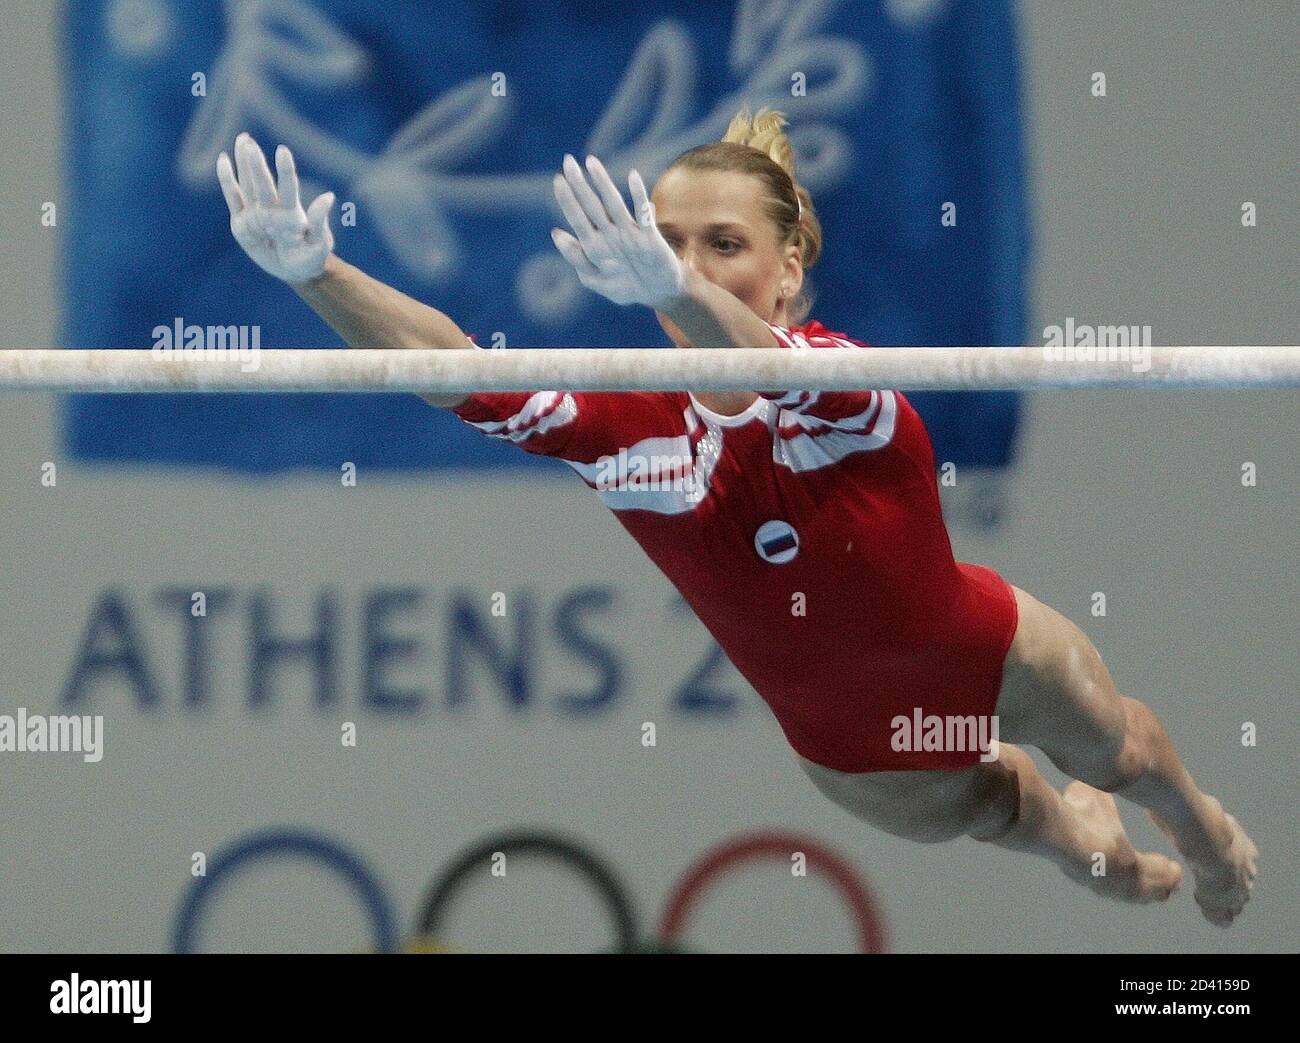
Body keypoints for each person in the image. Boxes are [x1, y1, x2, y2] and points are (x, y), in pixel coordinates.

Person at [215, 108, 1257, 926]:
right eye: (667, 242)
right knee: (1017, 814)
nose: (693, 265)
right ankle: (1089, 849)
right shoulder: (621, 427)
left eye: (723, 244)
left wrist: (670, 286)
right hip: (855, 741)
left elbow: (762, 366)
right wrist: (317, 271)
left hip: (985, 651)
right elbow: (452, 367)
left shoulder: (841, 382)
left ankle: (1206, 831)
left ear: (789, 268)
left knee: (1121, 755)